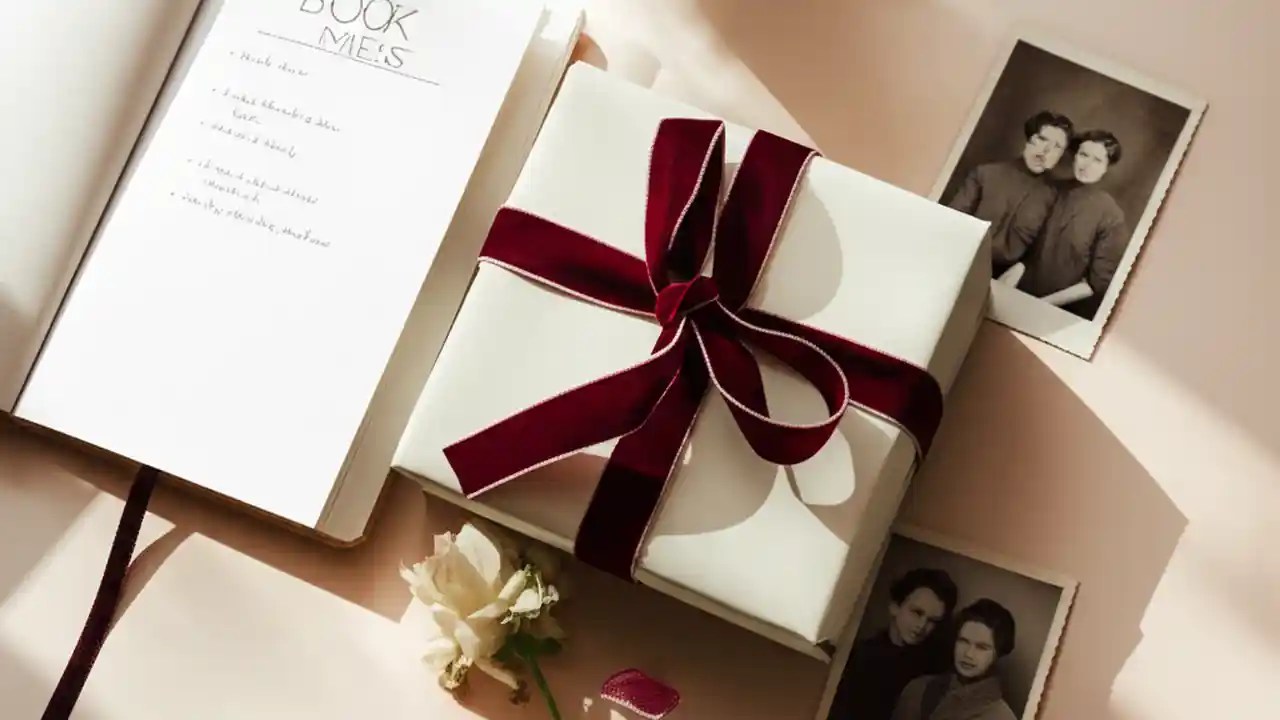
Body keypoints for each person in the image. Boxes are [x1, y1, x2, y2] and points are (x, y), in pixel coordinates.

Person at [1016, 129, 1129, 315]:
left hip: (1062, 309)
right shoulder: (1051, 190)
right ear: (1075, 156)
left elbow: (1096, 283)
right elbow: (1025, 250)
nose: (1087, 165)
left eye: (1097, 160)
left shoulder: (1111, 215)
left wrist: (1040, 305)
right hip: (1020, 291)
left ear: (1106, 167)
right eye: (1084, 155)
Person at [947, 111, 1073, 276]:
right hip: (959, 262)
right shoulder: (985, 174)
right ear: (1029, 139)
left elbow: (1042, 251)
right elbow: (952, 224)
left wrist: (1019, 270)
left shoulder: (1055, 197)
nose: (1046, 150)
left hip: (1008, 279)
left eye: (1057, 147)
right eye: (1042, 139)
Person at [827, 569, 958, 720]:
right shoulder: (860, 656)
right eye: (917, 612)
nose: (922, 626)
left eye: (932, 620)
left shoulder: (936, 668)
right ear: (894, 607)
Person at [891, 599, 1019, 720]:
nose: (968, 654)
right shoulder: (918, 689)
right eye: (963, 641)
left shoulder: (1001, 716)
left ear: (997, 653)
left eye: (981, 647)